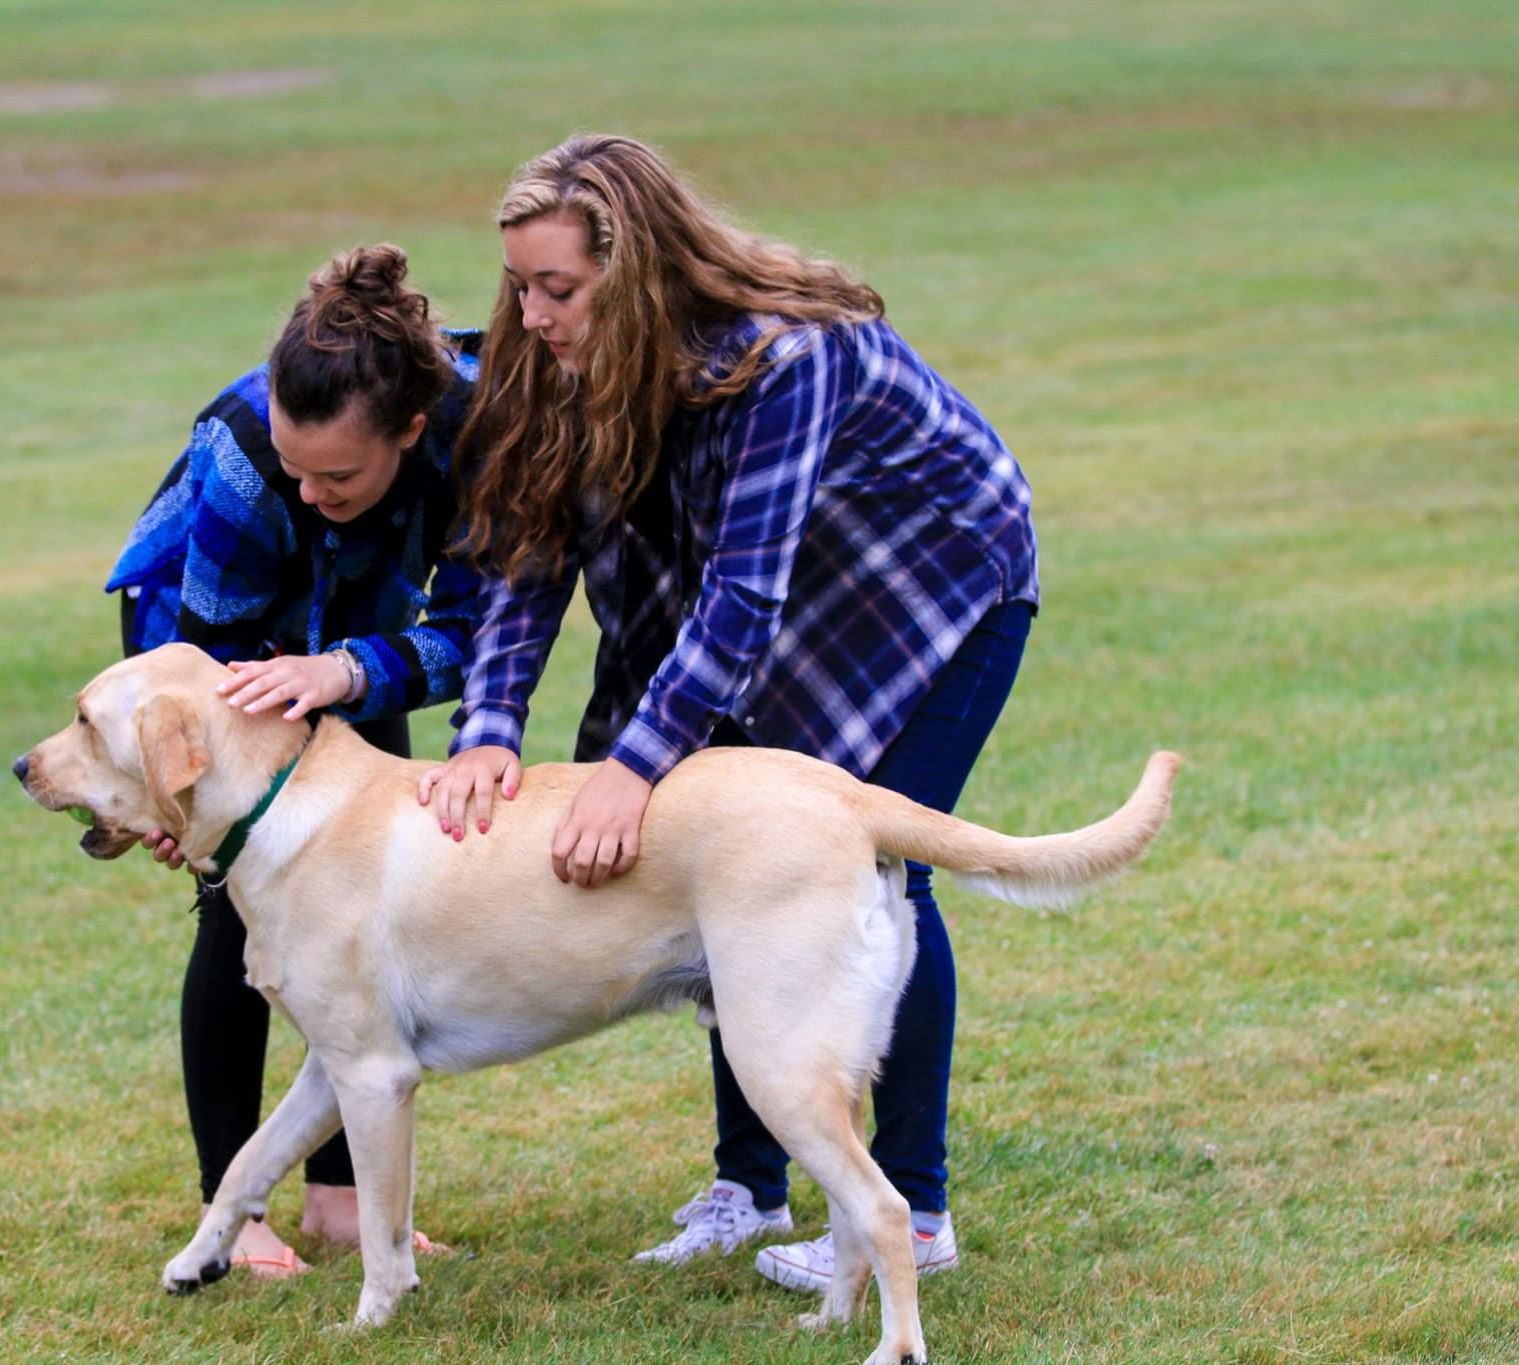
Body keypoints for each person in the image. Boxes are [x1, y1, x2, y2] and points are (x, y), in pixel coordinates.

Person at [417, 135, 1039, 1290]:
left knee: (874, 863)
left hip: (930, 579)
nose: (532, 313)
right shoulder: (539, 350)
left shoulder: (783, 359)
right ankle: (749, 1191)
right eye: (517, 284)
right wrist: (491, 724)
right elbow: (521, 549)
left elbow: (743, 596)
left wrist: (634, 764)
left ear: (637, 269)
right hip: (731, 593)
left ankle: (915, 1210)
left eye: (558, 289)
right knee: (718, 862)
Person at [108, 244, 480, 1278]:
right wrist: (182, 803)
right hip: (217, 644)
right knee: (242, 915)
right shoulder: (243, 453)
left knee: (349, 918)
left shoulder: (474, 431)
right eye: (296, 465)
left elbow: (471, 631)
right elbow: (204, 669)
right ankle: (236, 1208)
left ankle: (341, 1203)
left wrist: (350, 673)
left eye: (339, 473)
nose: (312, 490)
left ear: (409, 430)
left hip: (358, 639)